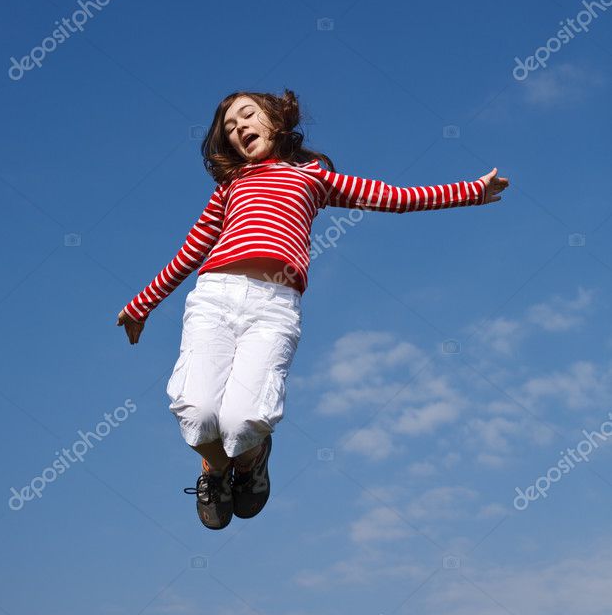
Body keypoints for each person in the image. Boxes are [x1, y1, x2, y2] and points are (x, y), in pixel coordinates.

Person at [116, 89, 509, 530]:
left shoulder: (312, 178)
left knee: (243, 420)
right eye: (229, 128)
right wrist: (141, 305)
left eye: (247, 116)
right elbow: (190, 251)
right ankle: (216, 470)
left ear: (276, 120)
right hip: (215, 296)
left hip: (273, 306)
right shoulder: (230, 187)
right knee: (197, 411)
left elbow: (392, 196)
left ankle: (250, 461)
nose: (240, 127)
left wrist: (472, 191)